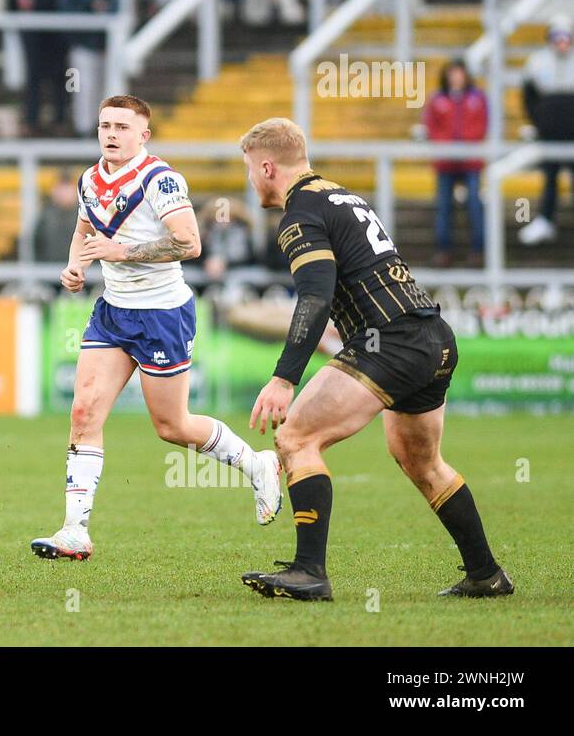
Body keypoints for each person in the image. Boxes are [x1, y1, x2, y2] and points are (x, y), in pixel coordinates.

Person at [238, 117, 511, 601]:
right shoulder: (342, 196)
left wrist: (284, 378)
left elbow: (314, 298)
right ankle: (485, 573)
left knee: (296, 436)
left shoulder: (300, 212)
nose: (249, 181)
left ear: (266, 166)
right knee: (421, 462)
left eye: (249, 171)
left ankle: (308, 572)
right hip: (433, 337)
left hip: (389, 341)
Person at [29, 95, 280, 563]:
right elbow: (85, 230)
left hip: (162, 313)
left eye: (123, 127)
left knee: (172, 426)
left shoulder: (159, 178)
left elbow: (189, 242)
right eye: (105, 124)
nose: (111, 133)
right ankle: (74, 531)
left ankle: (256, 464)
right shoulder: (89, 179)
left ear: (143, 135)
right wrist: (75, 267)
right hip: (113, 310)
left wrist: (118, 252)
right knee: (83, 412)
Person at [7, 0, 78, 135]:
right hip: (32, 29)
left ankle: (59, 119)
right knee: (33, 74)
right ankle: (31, 120)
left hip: (60, 29)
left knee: (61, 74)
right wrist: (14, 17)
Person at [421, 60, 487, 266]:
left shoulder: (477, 97)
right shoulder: (438, 99)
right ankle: (443, 250)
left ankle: (478, 250)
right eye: (453, 73)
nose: (456, 78)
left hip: (471, 160)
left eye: (460, 73)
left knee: (475, 205)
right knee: (443, 207)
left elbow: (482, 125)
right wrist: (447, 147)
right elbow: (431, 127)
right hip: (446, 162)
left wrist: (465, 145)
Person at [518, 15, 574, 246]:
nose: (561, 42)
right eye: (556, 37)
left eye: (565, 37)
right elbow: (528, 97)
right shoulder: (537, 62)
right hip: (550, 132)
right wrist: (540, 120)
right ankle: (546, 221)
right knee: (550, 178)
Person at [57, 0, 119, 136]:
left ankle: (98, 127)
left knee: (103, 90)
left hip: (103, 50)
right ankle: (82, 128)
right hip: (80, 49)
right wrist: (91, 7)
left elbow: (115, 11)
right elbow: (67, 15)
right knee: (79, 88)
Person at [34, 169, 83, 263]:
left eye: (68, 187)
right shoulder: (46, 216)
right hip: (49, 272)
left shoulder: (86, 216)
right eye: (61, 187)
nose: (64, 192)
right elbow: (36, 245)